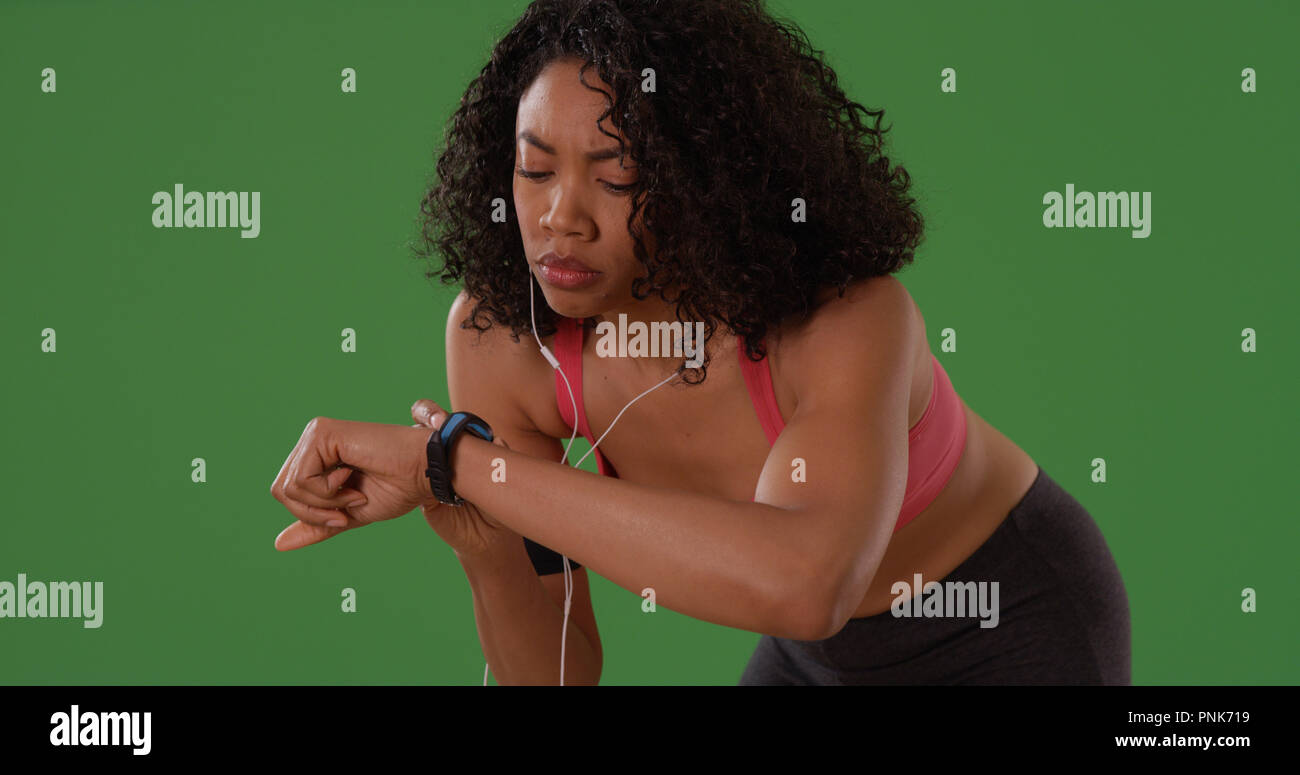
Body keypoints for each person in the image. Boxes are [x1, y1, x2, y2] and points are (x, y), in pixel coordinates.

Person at [270, 0, 1130, 685]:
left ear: (707, 177)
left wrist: (464, 462)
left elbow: (805, 583)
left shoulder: (847, 322)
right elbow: (559, 675)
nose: (561, 217)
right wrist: (487, 542)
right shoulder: (503, 339)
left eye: (616, 177)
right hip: (816, 660)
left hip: (1004, 621)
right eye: (534, 170)